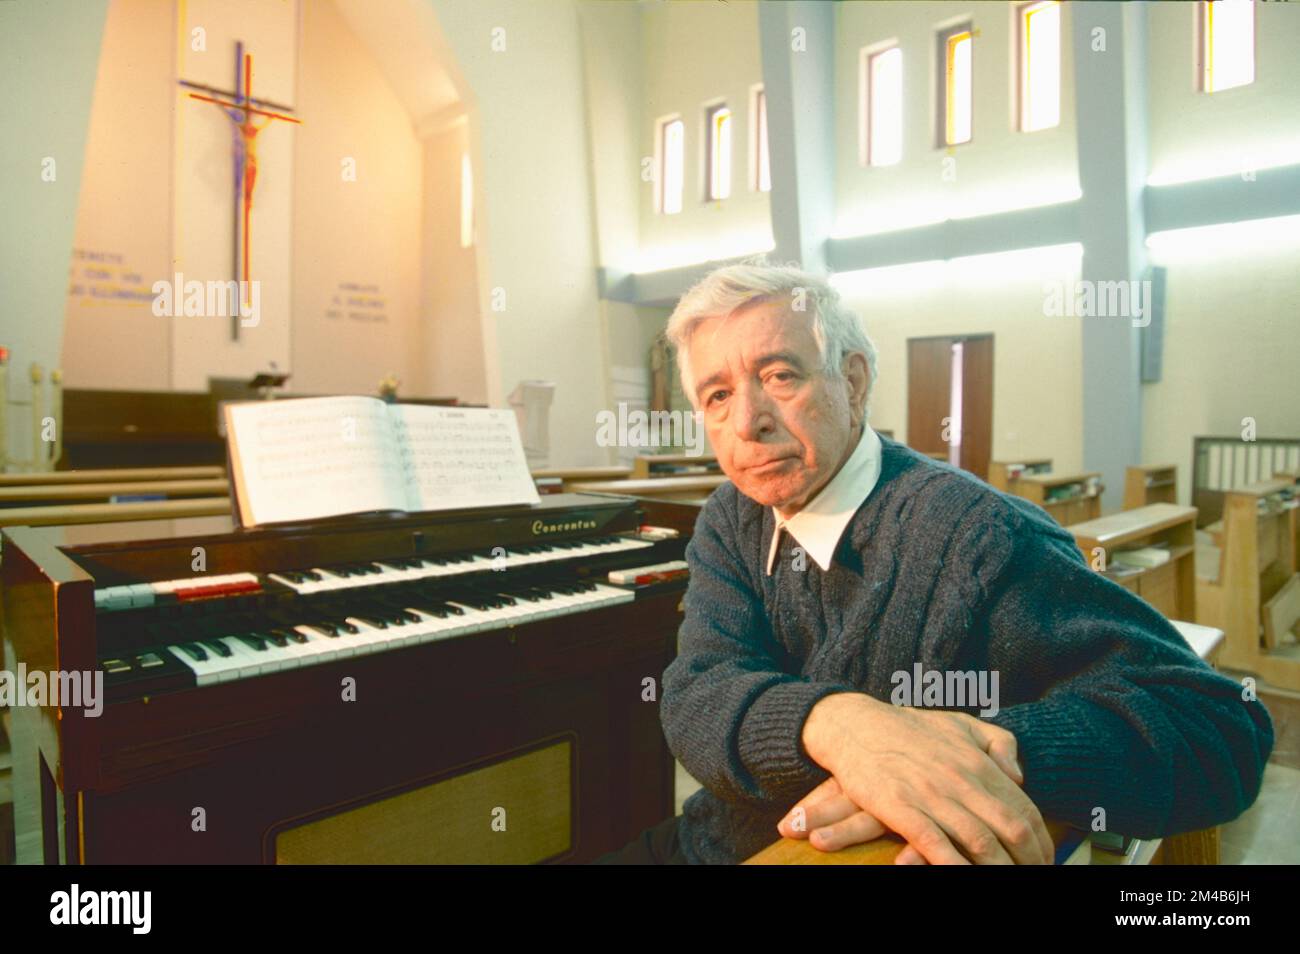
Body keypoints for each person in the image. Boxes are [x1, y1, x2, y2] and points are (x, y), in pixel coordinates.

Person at [596, 261, 1273, 865]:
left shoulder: (976, 536)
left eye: (779, 375)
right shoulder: (731, 514)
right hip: (709, 843)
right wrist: (840, 727)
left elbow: (1216, 730)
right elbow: (697, 691)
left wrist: (962, 757)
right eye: (716, 395)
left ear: (853, 380)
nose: (747, 421)